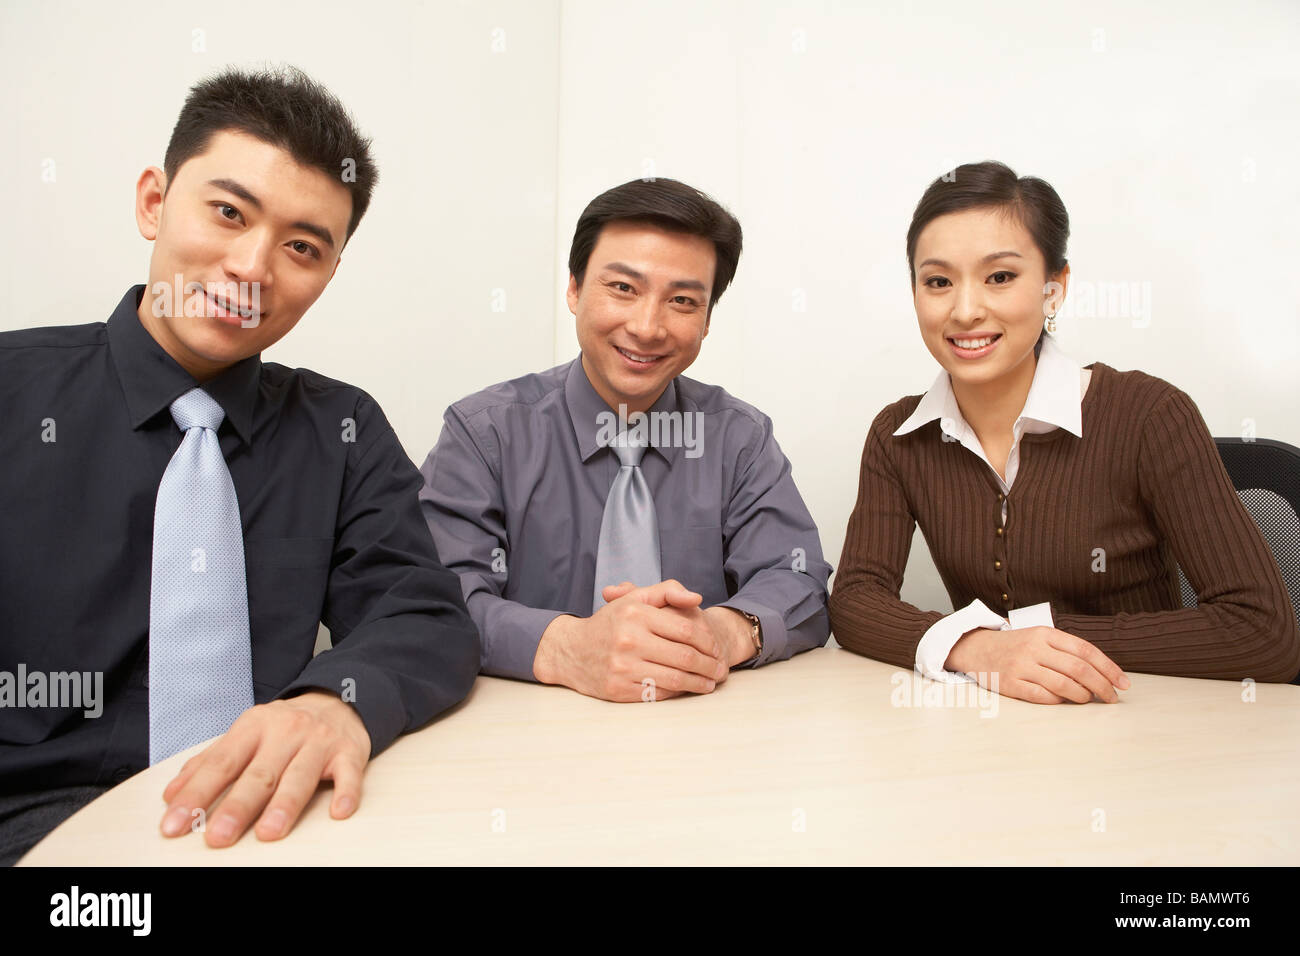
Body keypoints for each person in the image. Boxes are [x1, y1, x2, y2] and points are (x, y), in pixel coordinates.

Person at [0, 66, 479, 864]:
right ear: (155, 201)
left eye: (301, 247)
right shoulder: (13, 393)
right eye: (228, 212)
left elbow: (424, 615)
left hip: (268, 819)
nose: (254, 269)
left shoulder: (342, 428)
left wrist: (335, 702)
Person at [829, 160, 1300, 702]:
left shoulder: (1149, 415)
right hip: (994, 734)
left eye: (1000, 277)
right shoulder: (898, 436)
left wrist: (1031, 640)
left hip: (1147, 724)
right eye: (938, 281)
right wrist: (977, 649)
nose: (964, 310)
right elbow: (856, 600)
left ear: (1055, 289)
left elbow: (1263, 632)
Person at [419, 177, 830, 701]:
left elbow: (799, 581)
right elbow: (438, 597)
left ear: (706, 321)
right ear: (574, 288)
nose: (647, 326)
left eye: (682, 300)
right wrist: (568, 646)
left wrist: (723, 633)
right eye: (623, 288)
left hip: (705, 733)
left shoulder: (738, 437)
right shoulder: (484, 434)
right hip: (526, 738)